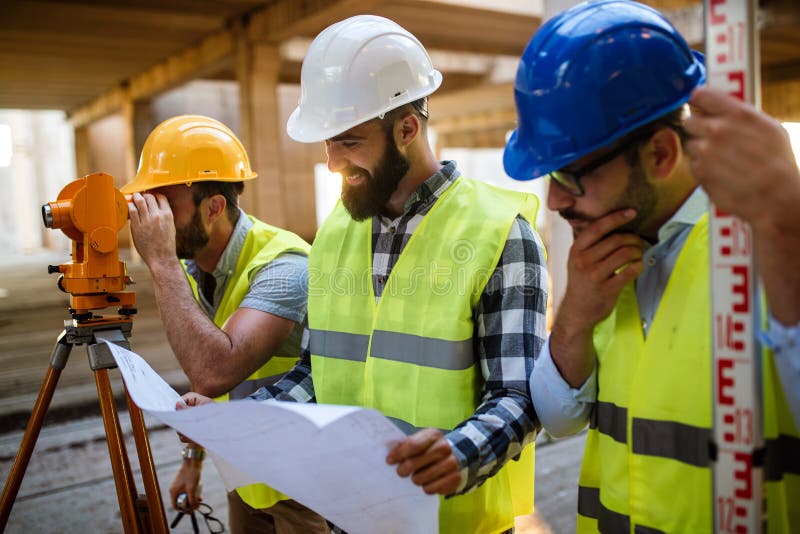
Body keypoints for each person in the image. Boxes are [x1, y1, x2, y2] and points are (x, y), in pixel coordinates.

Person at [183, 15, 548, 533]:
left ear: (407, 128)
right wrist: (236, 421)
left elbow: (519, 397)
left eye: (348, 142)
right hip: (350, 518)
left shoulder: (500, 235)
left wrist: (456, 453)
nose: (332, 162)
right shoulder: (335, 235)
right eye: (327, 143)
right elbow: (319, 372)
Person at [503, 1, 800, 532]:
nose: (553, 202)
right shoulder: (608, 252)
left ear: (661, 155)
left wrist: (786, 229)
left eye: (570, 176)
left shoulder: (765, 247)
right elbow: (558, 419)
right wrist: (573, 319)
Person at [122, 115, 329, 533]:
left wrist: (160, 262)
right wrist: (193, 461)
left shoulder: (283, 266)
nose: (154, 216)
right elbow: (205, 358)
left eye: (166, 203)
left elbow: (213, 369)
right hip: (246, 471)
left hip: (302, 481)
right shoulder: (196, 267)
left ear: (214, 207)